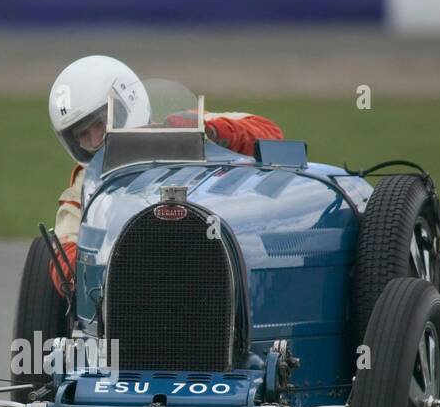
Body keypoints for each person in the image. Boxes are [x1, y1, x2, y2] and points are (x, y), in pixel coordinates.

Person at [46, 55, 283, 296]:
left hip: (213, 262)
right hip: (133, 286)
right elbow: (64, 252)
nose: (95, 140)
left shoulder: (192, 126)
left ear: (126, 102)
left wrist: (211, 132)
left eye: (99, 123)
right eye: (82, 135)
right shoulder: (85, 183)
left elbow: (272, 134)